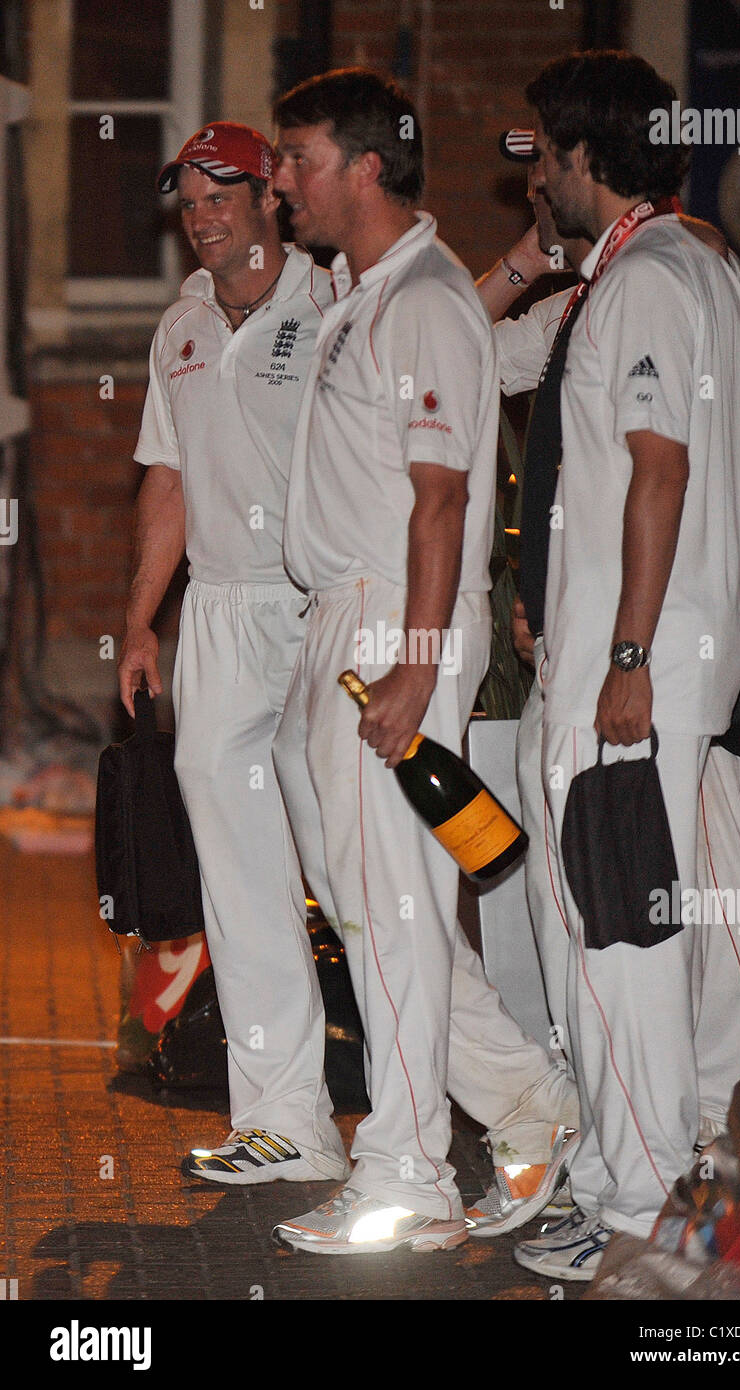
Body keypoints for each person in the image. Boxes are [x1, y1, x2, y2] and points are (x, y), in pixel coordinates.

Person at [472, 52, 740, 1280]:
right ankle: (682, 1162)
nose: (529, 180)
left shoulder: (647, 280)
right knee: (671, 921)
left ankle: (630, 1199)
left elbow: (657, 471)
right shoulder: (674, 269)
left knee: (609, 933)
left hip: (634, 662)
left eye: (540, 156)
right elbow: (469, 342)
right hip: (672, 658)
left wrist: (624, 656)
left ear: (583, 155)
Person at [268, 68, 579, 1256]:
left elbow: (442, 499)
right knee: (373, 908)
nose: (280, 183)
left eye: (296, 159)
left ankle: (404, 1172)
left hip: (389, 621)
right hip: (342, 619)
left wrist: (408, 663)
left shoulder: (420, 302)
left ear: (361, 167)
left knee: (390, 911)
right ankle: (527, 1101)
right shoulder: (369, 293)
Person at [117, 121, 351, 1186]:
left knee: (353, 867)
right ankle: (285, 1122)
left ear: (271, 198)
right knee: (240, 879)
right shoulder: (180, 327)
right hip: (212, 611)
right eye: (189, 201)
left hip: (314, 605)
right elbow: (163, 482)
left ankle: (480, 1098)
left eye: (223, 195)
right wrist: (137, 621)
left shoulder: (337, 298)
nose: (202, 216)